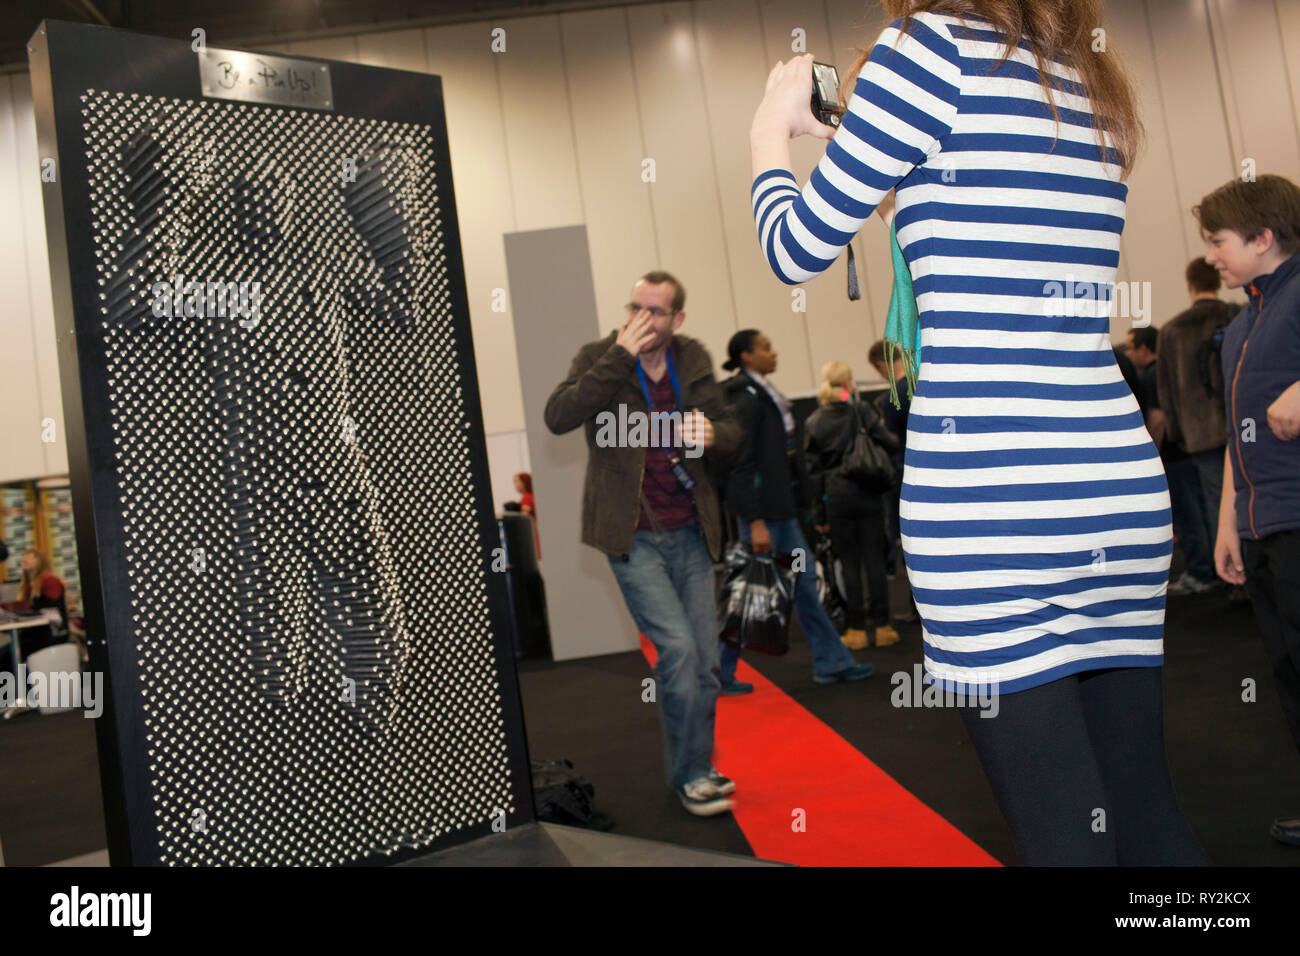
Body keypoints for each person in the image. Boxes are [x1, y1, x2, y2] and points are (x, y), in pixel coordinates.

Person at [749, 0, 1206, 864]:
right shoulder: (1082, 76)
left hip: (994, 499)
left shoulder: (926, 46)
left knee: (1062, 839)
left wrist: (769, 138)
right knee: (1145, 818)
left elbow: (795, 248)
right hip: (1115, 484)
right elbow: (981, 229)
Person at [544, 270, 743, 816]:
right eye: (635, 307)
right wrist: (616, 359)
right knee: (677, 651)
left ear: (677, 319)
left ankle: (698, 767)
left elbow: (731, 430)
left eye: (655, 311)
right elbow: (558, 416)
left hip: (692, 531)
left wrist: (714, 436)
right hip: (633, 536)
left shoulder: (694, 359)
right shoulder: (600, 355)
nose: (642, 319)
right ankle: (692, 774)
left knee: (704, 662)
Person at [1200, 174, 1300, 847]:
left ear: (1264, 238)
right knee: (1290, 671)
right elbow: (1238, 436)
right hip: (1264, 529)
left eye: (1219, 241)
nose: (1210, 255)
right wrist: (1227, 522)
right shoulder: (1239, 327)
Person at [718, 330, 875, 691]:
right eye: (765, 348)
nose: (774, 353)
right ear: (745, 356)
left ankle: (831, 663)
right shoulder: (746, 399)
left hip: (781, 513)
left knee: (804, 588)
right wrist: (754, 521)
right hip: (764, 516)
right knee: (749, 596)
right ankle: (719, 673)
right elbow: (742, 465)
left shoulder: (762, 395)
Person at [804, 361, 902, 649]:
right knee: (874, 560)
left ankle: (856, 630)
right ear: (848, 383)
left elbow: (813, 474)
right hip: (867, 493)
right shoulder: (861, 411)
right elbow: (892, 443)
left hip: (836, 498)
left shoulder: (814, 421)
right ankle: (883, 626)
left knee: (848, 564)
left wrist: (818, 513)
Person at [1158, 259, 1239, 595]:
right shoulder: (1236, 315)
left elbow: (1167, 389)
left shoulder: (1173, 330)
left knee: (1214, 502)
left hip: (1199, 432)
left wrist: (1176, 432)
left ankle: (1218, 573)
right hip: (1240, 421)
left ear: (1189, 284)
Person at [513, 472, 540, 560]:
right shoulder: (532, 496)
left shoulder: (526, 498)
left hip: (532, 536)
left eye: (517, 481)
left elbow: (524, 518)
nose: (515, 485)